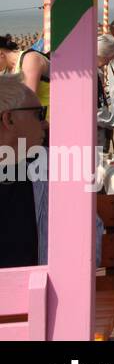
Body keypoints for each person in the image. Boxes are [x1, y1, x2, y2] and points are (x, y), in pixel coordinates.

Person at [0, 78, 45, 267]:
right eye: (39, 114)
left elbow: (89, 247)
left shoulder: (52, 171)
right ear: (9, 119)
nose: (46, 123)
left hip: (42, 293)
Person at [0, 34, 50, 115]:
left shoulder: (30, 59)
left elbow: (28, 100)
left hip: (54, 119)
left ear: (1, 53)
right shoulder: (8, 71)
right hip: (36, 121)